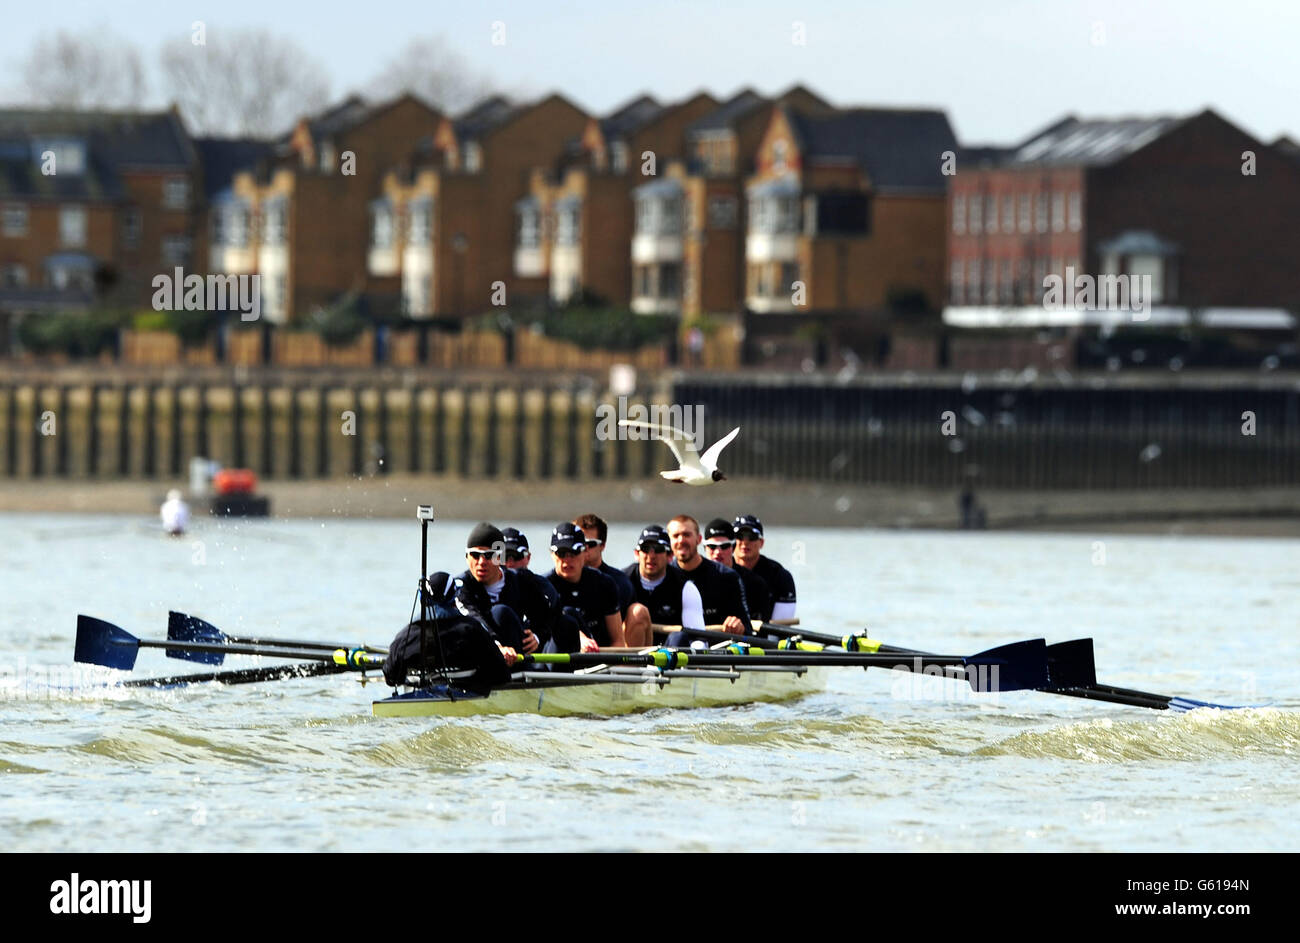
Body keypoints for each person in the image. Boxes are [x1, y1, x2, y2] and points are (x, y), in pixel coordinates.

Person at [440, 522, 567, 660]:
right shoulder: (460, 586)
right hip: (481, 657)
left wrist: (537, 635)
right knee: (500, 612)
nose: (481, 562)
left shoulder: (520, 579)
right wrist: (497, 646)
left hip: (518, 656)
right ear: (467, 557)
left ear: (500, 557)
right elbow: (475, 619)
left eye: (489, 555)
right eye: (475, 555)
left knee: (568, 621)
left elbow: (549, 611)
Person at [545, 522, 625, 650]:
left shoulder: (605, 584)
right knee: (568, 613)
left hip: (597, 659)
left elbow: (618, 641)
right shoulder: (543, 587)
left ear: (585, 552)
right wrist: (578, 638)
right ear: (552, 554)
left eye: (574, 552)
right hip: (554, 659)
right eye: (561, 553)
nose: (567, 560)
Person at [621, 525, 704, 645]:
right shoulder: (621, 582)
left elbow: (698, 639)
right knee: (637, 613)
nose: (651, 555)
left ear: (670, 556)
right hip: (631, 655)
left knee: (678, 637)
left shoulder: (685, 587)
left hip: (668, 656)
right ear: (637, 554)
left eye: (658, 549)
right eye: (646, 548)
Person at [666, 514, 750, 634]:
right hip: (675, 645)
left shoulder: (727, 577)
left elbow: (747, 629)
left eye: (686, 535)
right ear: (669, 542)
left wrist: (738, 627)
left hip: (715, 646)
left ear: (699, 539)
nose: (681, 540)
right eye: (675, 536)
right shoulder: (663, 576)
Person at [702, 518, 772, 624]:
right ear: (704, 547)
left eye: (724, 546)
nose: (717, 552)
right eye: (712, 546)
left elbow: (760, 633)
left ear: (733, 547)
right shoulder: (692, 578)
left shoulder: (756, 584)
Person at [732, 514, 797, 621]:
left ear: (761, 543)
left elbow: (781, 626)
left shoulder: (780, 576)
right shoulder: (722, 571)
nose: (745, 542)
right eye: (739, 536)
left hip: (765, 634)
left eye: (751, 536)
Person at [573, 513, 635, 619]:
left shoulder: (619, 582)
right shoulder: (557, 579)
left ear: (602, 545)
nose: (583, 548)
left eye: (590, 544)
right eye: (579, 543)